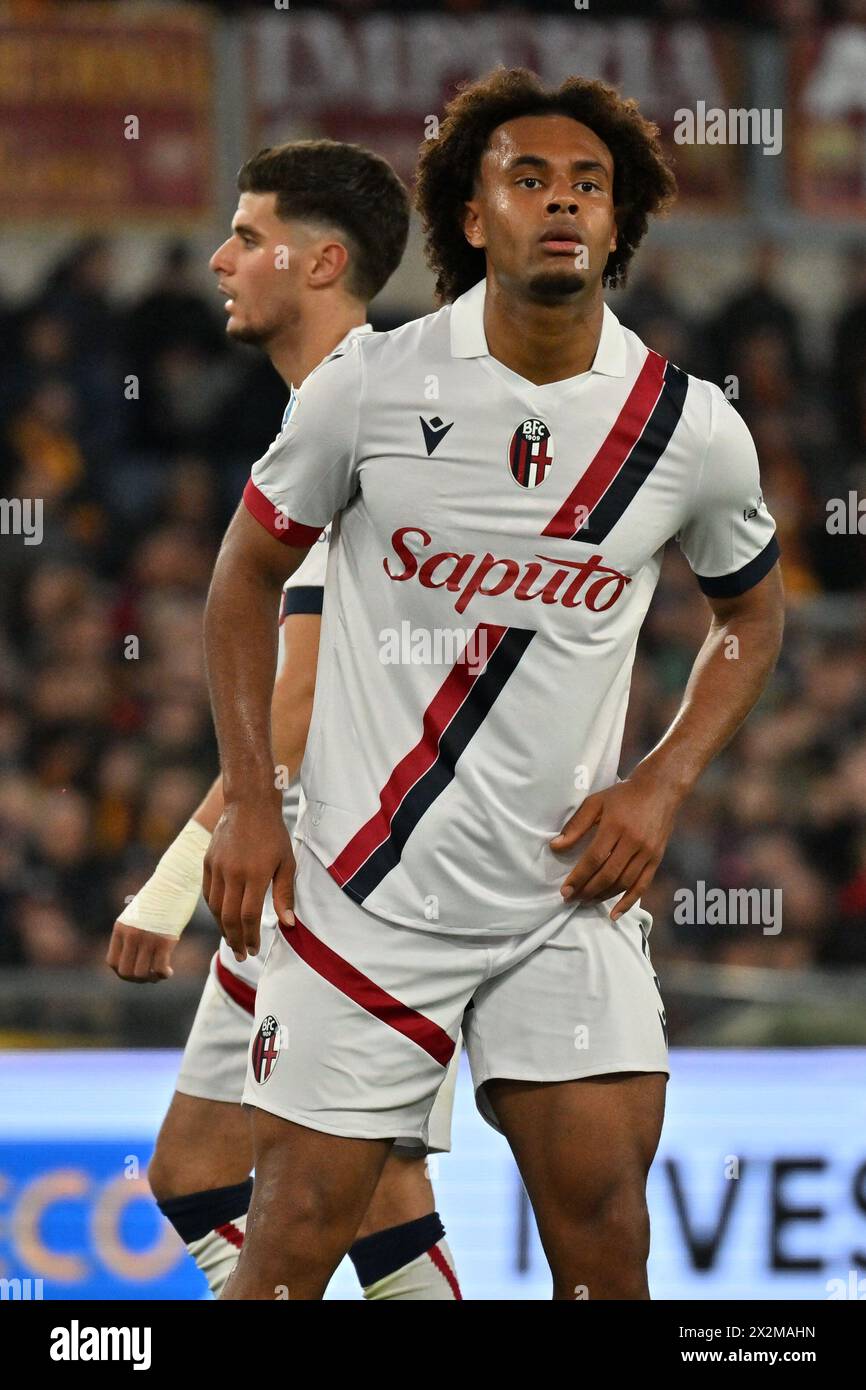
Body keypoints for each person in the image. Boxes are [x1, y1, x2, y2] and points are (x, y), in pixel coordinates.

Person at [202, 70, 785, 1301]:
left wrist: (662, 782)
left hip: (558, 902)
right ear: (472, 217)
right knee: (289, 1248)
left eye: (588, 185)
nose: (560, 203)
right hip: (365, 896)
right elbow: (242, 583)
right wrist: (252, 799)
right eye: (527, 179)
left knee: (602, 1250)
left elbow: (752, 612)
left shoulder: (685, 428)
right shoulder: (366, 386)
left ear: (618, 223)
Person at [107, 140, 462, 1301]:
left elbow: (299, 696)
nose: (219, 259)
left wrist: (172, 883)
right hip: (349, 855)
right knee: (282, 1193)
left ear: (321, 263)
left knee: (294, 1193)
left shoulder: (357, 418)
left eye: (247, 236)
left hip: (355, 864)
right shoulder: (356, 409)